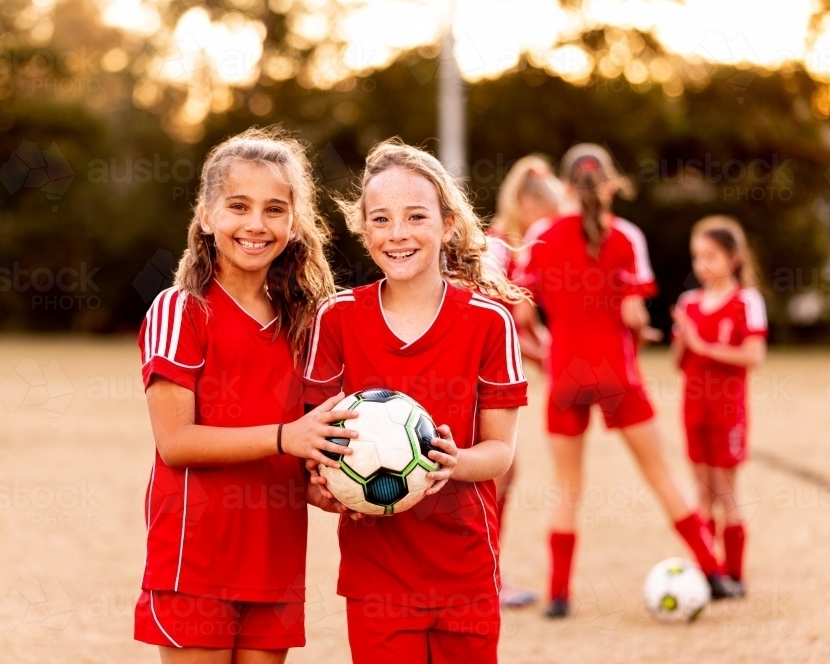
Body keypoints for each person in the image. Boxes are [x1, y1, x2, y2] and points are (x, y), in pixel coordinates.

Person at [133, 128, 360, 664]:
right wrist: (289, 438)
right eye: (238, 206)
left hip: (275, 555)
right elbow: (176, 443)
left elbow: (292, 447)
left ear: (293, 223)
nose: (256, 224)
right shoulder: (181, 310)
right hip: (197, 556)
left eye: (275, 209)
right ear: (207, 216)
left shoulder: (305, 319)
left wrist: (323, 486)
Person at [304, 139, 528, 664]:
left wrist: (456, 462)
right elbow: (312, 440)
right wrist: (321, 483)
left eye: (415, 216)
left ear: (448, 224)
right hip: (376, 573)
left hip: (465, 566)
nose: (397, 233)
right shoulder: (337, 319)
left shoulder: (488, 321)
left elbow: (500, 452)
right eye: (380, 219)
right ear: (362, 229)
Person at [516, 143, 742, 619]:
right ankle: (715, 574)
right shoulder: (627, 237)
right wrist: (636, 341)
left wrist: (547, 353)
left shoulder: (540, 234)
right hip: (617, 372)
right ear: (612, 184)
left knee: (566, 487)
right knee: (661, 474)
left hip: (566, 375)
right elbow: (634, 313)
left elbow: (521, 312)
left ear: (563, 186)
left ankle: (559, 596)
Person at [672, 215, 767, 593]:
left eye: (711, 255)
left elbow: (753, 355)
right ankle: (709, 573)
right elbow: (680, 362)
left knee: (726, 490)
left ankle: (736, 575)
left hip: (728, 410)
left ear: (733, 257)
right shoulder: (689, 302)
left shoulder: (747, 300)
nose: (702, 265)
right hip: (693, 407)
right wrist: (683, 338)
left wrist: (702, 344)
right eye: (698, 256)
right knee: (702, 493)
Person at [485, 155, 562, 608]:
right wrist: (542, 353)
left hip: (500, 380)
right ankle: (485, 576)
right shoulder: (497, 248)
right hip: (480, 378)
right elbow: (496, 322)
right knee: (495, 472)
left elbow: (526, 327)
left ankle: (490, 572)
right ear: (527, 206)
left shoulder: (522, 249)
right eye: (546, 218)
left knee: (504, 473)